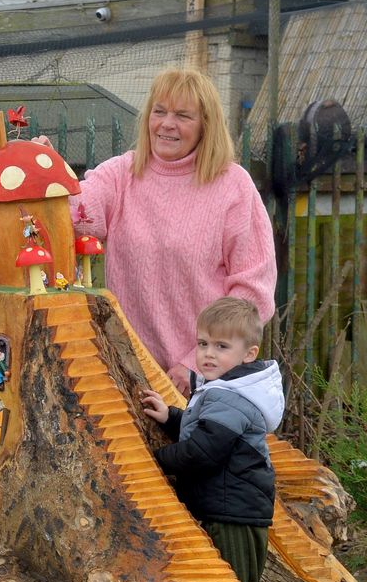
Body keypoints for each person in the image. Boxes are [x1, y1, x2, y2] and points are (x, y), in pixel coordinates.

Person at [61, 68, 277, 397]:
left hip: (207, 383)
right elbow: (73, 213)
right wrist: (45, 167)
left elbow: (252, 294)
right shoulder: (122, 174)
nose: (166, 124)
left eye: (182, 115)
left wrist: (199, 362)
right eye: (159, 111)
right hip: (131, 374)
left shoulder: (233, 186)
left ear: (206, 124)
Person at [141, 297, 283, 582]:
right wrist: (170, 417)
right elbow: (201, 427)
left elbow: (204, 451)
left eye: (221, 347)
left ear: (248, 353)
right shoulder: (225, 391)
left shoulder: (234, 398)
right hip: (225, 507)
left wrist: (154, 460)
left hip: (235, 513)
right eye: (203, 344)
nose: (208, 354)